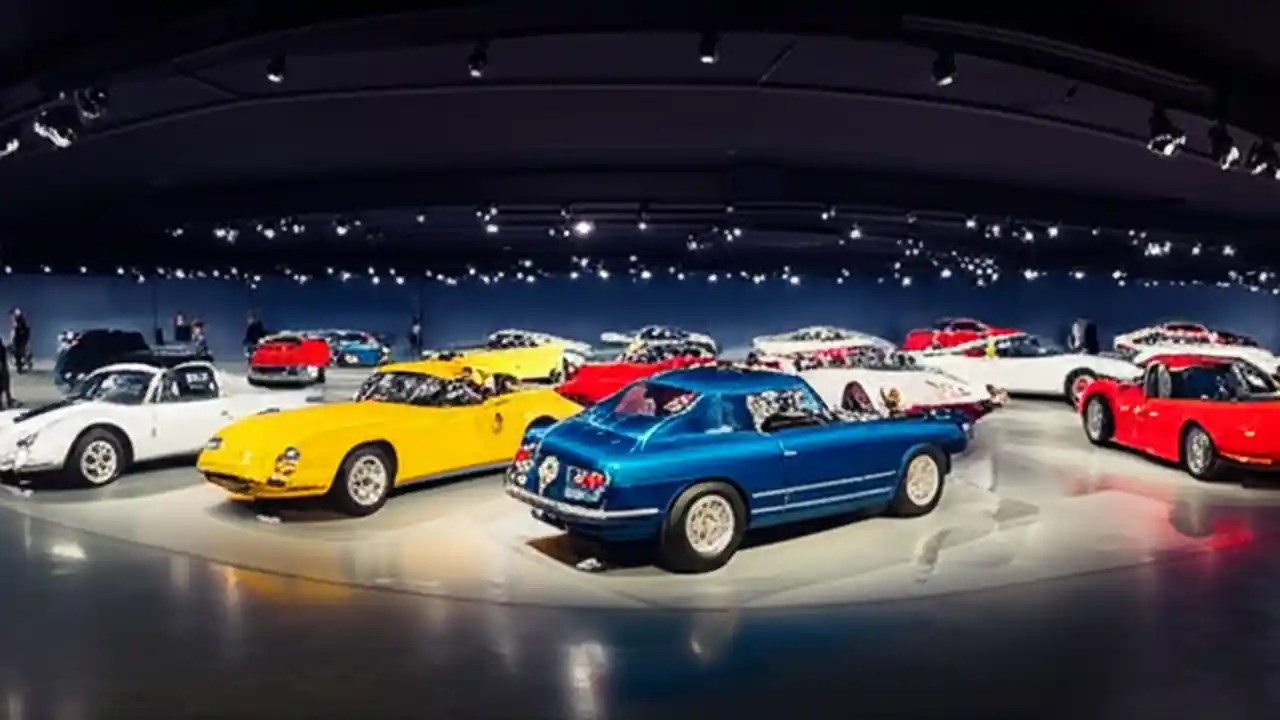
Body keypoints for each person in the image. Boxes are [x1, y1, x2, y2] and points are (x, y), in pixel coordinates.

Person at [10, 308, 31, 374]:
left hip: (19, 341)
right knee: (17, 354)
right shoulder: (18, 323)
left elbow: (24, 332)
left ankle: (22, 365)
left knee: (19, 353)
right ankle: (21, 365)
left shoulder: (20, 324)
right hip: (18, 341)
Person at [0, 339, 13, 409]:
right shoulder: (3, 348)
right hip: (3, 369)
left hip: (3, 368)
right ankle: (9, 402)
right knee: (6, 386)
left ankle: (7, 402)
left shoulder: (3, 348)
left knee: (4, 387)